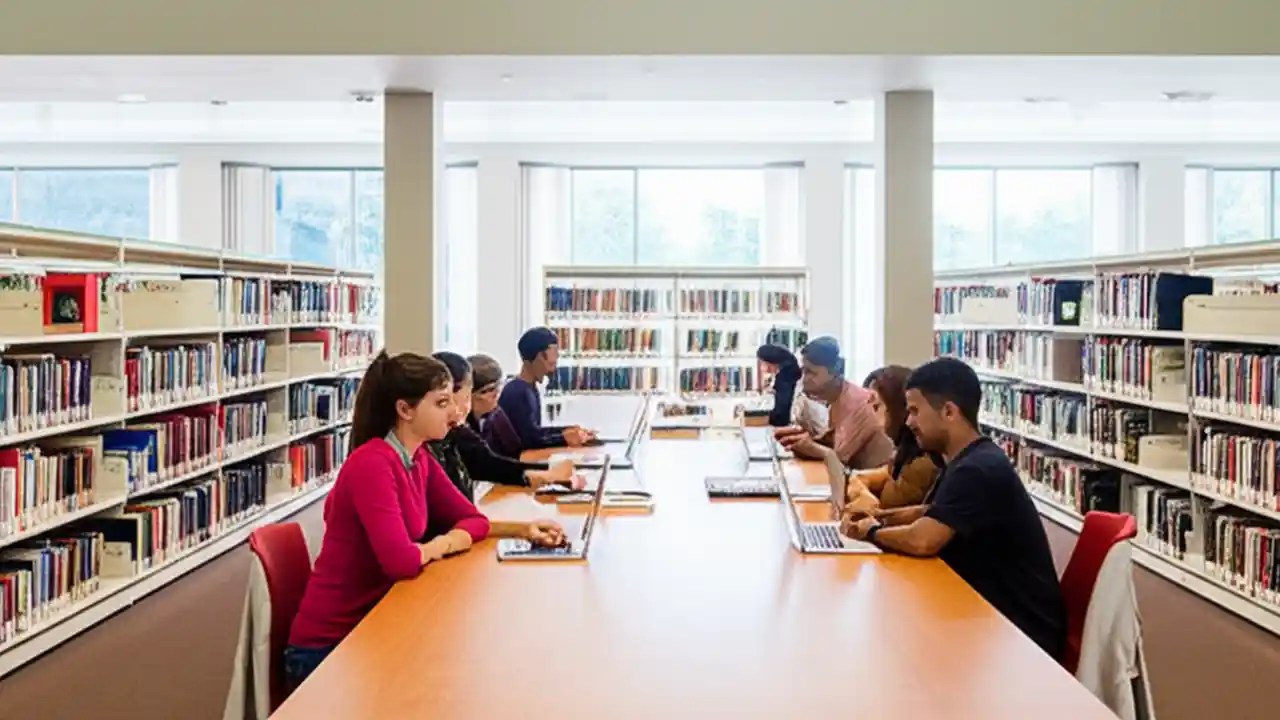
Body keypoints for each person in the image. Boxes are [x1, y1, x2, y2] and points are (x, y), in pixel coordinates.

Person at [286, 351, 493, 689]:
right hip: (329, 645)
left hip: (374, 620)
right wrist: (446, 542)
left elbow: (474, 520)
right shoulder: (373, 464)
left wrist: (437, 544)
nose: (456, 413)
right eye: (441, 403)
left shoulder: (418, 457)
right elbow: (401, 561)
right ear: (405, 410)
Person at [845, 357, 1067, 660]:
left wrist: (871, 531)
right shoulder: (967, 459)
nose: (909, 422)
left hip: (1018, 635)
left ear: (949, 411)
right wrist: (879, 516)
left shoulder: (977, 470)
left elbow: (924, 539)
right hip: (987, 617)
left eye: (914, 411)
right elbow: (932, 513)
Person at [431, 351, 586, 502]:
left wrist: (549, 472)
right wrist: (548, 471)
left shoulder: (484, 420)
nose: (497, 395)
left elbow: (502, 457)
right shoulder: (438, 444)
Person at [840, 365, 943, 521]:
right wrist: (863, 493)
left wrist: (865, 500)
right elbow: (861, 477)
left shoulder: (923, 465)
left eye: (877, 407)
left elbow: (882, 517)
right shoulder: (904, 454)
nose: (871, 416)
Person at [772, 336, 893, 470]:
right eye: (803, 372)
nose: (804, 380)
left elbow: (839, 458)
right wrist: (798, 439)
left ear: (835, 371)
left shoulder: (856, 402)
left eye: (811, 373)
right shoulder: (837, 399)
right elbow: (832, 443)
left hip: (873, 484)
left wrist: (810, 446)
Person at [498, 327, 596, 451]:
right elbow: (529, 440)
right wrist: (563, 438)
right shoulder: (518, 393)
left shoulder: (529, 388)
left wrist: (569, 430)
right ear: (537, 358)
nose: (552, 370)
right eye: (550, 364)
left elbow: (535, 432)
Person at [466, 353, 525, 459]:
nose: (496, 394)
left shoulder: (496, 413)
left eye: (498, 385)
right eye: (488, 390)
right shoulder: (460, 428)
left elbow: (515, 451)